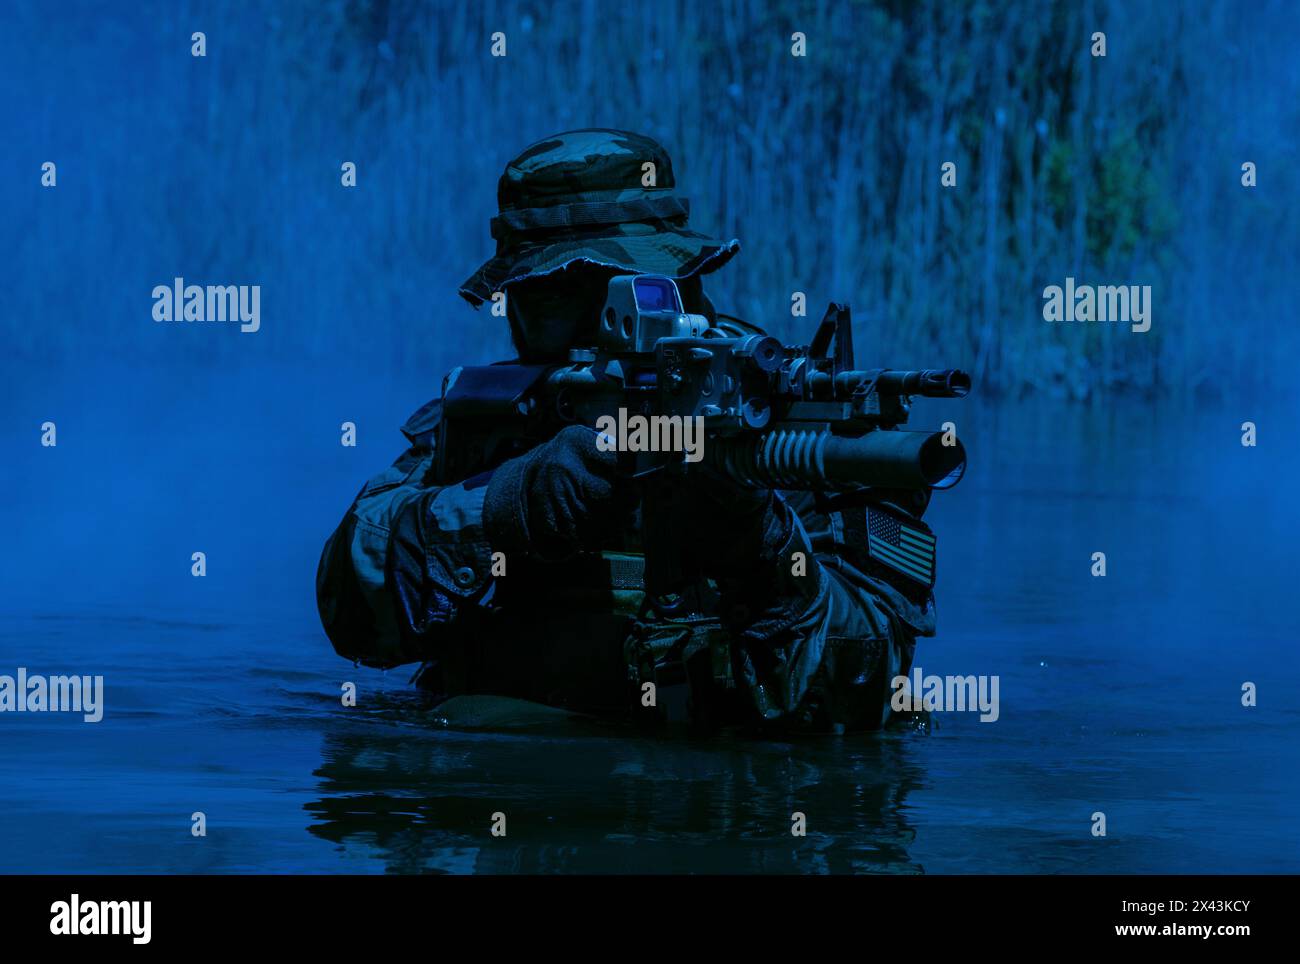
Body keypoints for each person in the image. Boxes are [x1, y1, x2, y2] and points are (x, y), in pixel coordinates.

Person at [316, 129, 936, 733]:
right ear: (519, 304)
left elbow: (871, 686)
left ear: (686, 284)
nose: (605, 334)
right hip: (518, 810)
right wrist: (508, 505)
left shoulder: (793, 429)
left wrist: (761, 545)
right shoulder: (499, 418)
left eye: (635, 294)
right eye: (564, 300)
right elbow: (350, 605)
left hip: (715, 815)